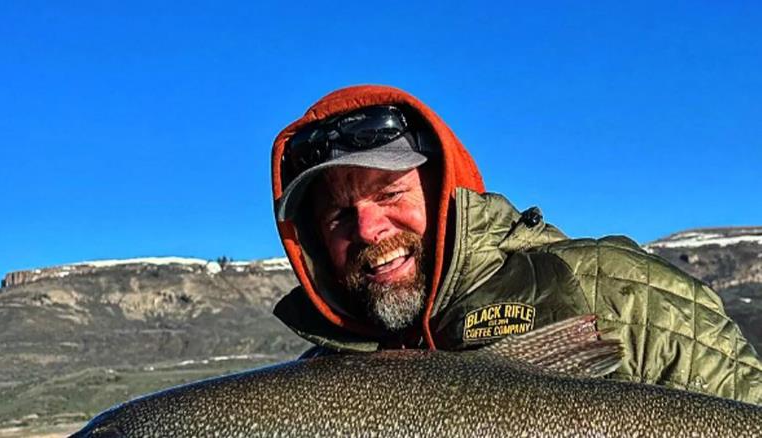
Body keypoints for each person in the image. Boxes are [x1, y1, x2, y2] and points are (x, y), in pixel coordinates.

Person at [270, 85, 761, 404]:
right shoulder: (314, 386)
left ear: (445, 190)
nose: (369, 230)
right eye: (338, 215)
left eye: (390, 193)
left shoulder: (614, 290)